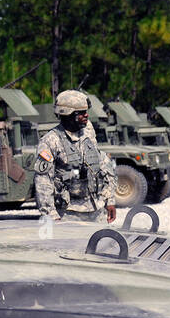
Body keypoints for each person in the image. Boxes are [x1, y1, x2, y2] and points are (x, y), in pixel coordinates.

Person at [34, 90, 117, 222]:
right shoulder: (50, 141)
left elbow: (102, 164)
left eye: (86, 111)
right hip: (68, 214)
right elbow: (43, 182)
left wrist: (110, 199)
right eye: (81, 113)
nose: (86, 115)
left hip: (96, 209)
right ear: (67, 115)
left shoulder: (88, 132)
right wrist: (50, 215)